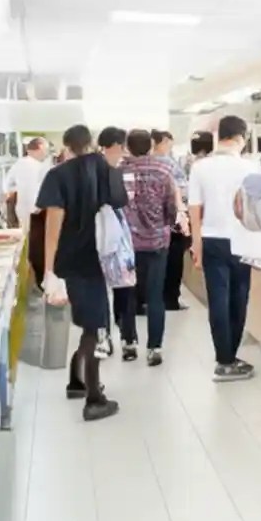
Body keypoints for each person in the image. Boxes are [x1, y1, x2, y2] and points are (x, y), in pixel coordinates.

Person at [37, 124, 124, 422]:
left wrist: (49, 270)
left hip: (69, 259)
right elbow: (119, 204)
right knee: (94, 326)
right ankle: (94, 399)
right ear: (91, 143)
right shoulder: (107, 169)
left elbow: (53, 227)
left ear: (66, 146)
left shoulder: (57, 175)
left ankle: (77, 381)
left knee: (89, 323)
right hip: (97, 258)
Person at [189, 116, 259, 382]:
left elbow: (194, 209)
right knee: (239, 297)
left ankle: (224, 359)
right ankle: (231, 355)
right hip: (242, 240)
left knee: (217, 299)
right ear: (241, 138)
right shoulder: (250, 167)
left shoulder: (200, 167)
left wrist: (196, 244)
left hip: (211, 239)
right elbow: (257, 209)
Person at [118, 129, 177, 366]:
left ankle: (128, 343)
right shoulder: (164, 169)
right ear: (151, 145)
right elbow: (171, 205)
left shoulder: (119, 171)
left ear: (127, 147)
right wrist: (166, 224)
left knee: (127, 293)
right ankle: (154, 348)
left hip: (126, 243)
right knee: (155, 296)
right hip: (157, 241)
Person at [152, 129, 191, 312]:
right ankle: (170, 298)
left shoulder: (142, 163)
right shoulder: (168, 164)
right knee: (174, 260)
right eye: (168, 143)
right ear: (160, 142)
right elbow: (181, 189)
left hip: (150, 223)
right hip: (171, 218)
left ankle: (152, 298)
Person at [98, 127, 128, 359]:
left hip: (87, 237)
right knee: (119, 285)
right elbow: (119, 199)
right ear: (117, 145)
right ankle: (121, 334)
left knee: (97, 289)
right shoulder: (112, 170)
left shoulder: (84, 168)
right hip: (108, 235)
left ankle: (102, 335)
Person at [4, 138, 50, 231]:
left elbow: (7, 185)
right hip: (35, 209)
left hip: (21, 209)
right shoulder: (36, 166)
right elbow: (35, 190)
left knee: (25, 234)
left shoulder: (19, 163)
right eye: (46, 149)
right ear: (40, 147)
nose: (46, 153)